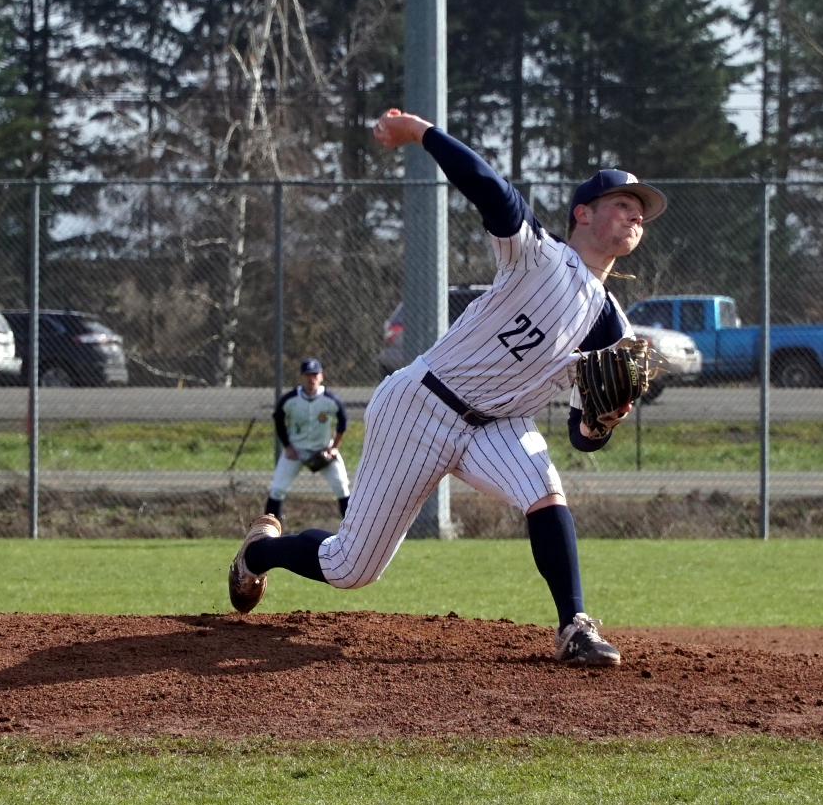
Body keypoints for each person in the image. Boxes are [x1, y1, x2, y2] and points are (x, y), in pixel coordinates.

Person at [228, 108, 665, 667]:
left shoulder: (612, 328)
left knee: (545, 488)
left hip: (500, 427)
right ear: (584, 212)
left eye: (641, 213)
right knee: (350, 569)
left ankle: (573, 626)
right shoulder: (538, 255)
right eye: (623, 205)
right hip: (423, 406)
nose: (635, 217)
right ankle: (259, 552)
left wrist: (598, 423)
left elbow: (584, 438)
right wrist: (423, 134)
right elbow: (491, 190)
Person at [266, 358, 351, 520]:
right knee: (277, 489)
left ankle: (354, 535)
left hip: (323, 450)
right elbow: (278, 419)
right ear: (301, 377)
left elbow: (343, 421)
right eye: (307, 375)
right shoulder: (290, 399)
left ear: (321, 377)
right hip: (297, 451)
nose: (311, 379)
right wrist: (287, 446)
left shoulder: (330, 400)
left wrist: (334, 447)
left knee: (342, 488)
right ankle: (267, 535)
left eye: (314, 375)